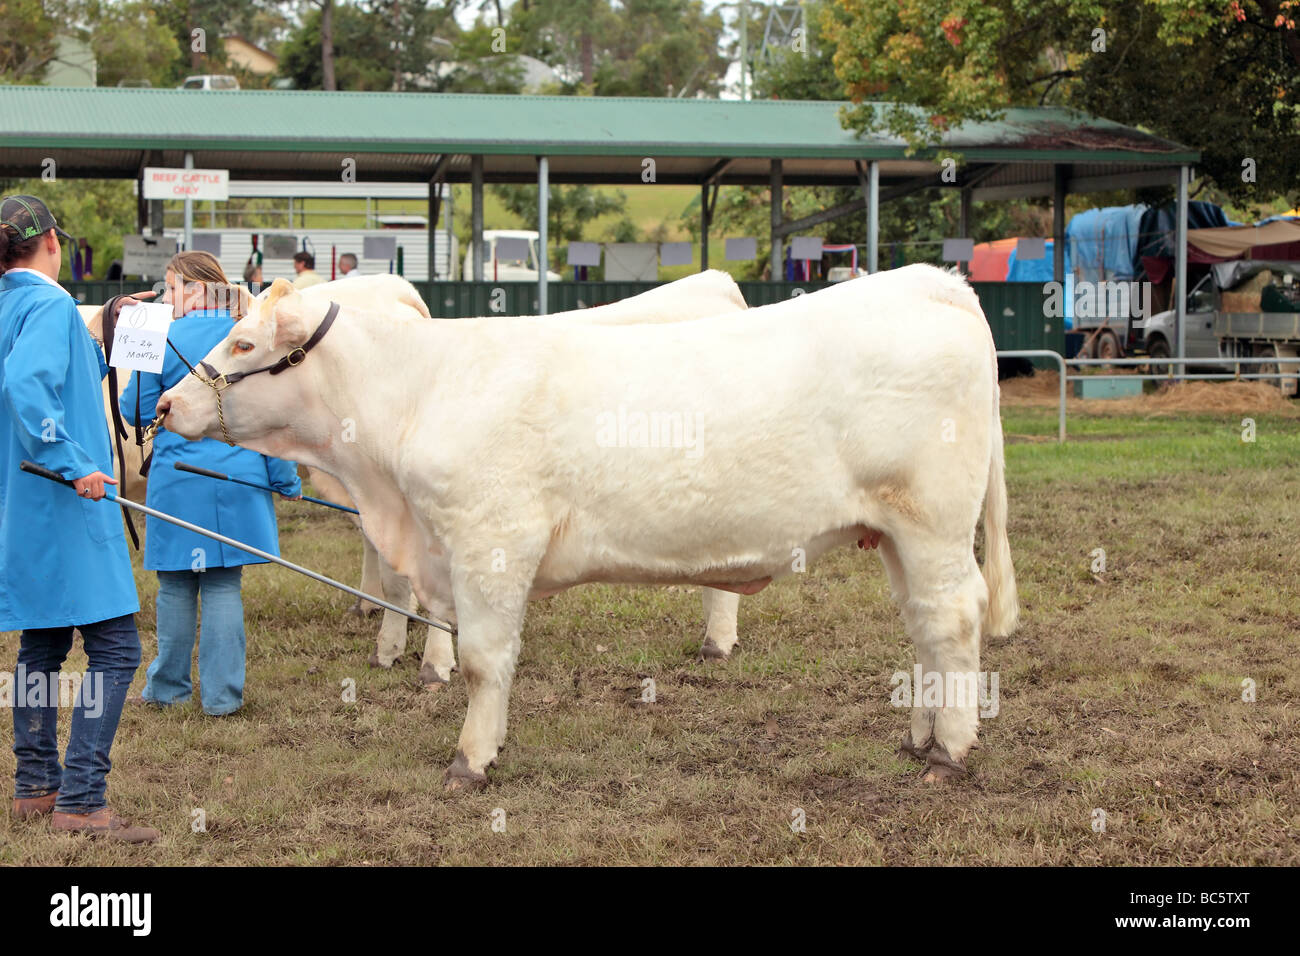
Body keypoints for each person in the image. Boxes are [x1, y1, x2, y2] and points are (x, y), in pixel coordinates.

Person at [0, 194, 158, 842]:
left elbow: (55, 376)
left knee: (41, 643)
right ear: (52, 243)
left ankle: (35, 787)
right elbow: (26, 386)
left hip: (24, 507)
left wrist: (105, 330)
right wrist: (71, 461)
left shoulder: (18, 304)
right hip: (66, 499)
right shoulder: (48, 303)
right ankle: (83, 800)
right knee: (117, 651)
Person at [121, 251, 301, 717]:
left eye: (173, 288)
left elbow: (137, 410)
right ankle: (221, 698)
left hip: (179, 480)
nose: (166, 297)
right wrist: (285, 480)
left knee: (177, 586)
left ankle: (167, 690)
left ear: (198, 289)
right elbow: (274, 416)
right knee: (223, 586)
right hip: (240, 475)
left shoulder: (156, 335)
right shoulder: (248, 336)